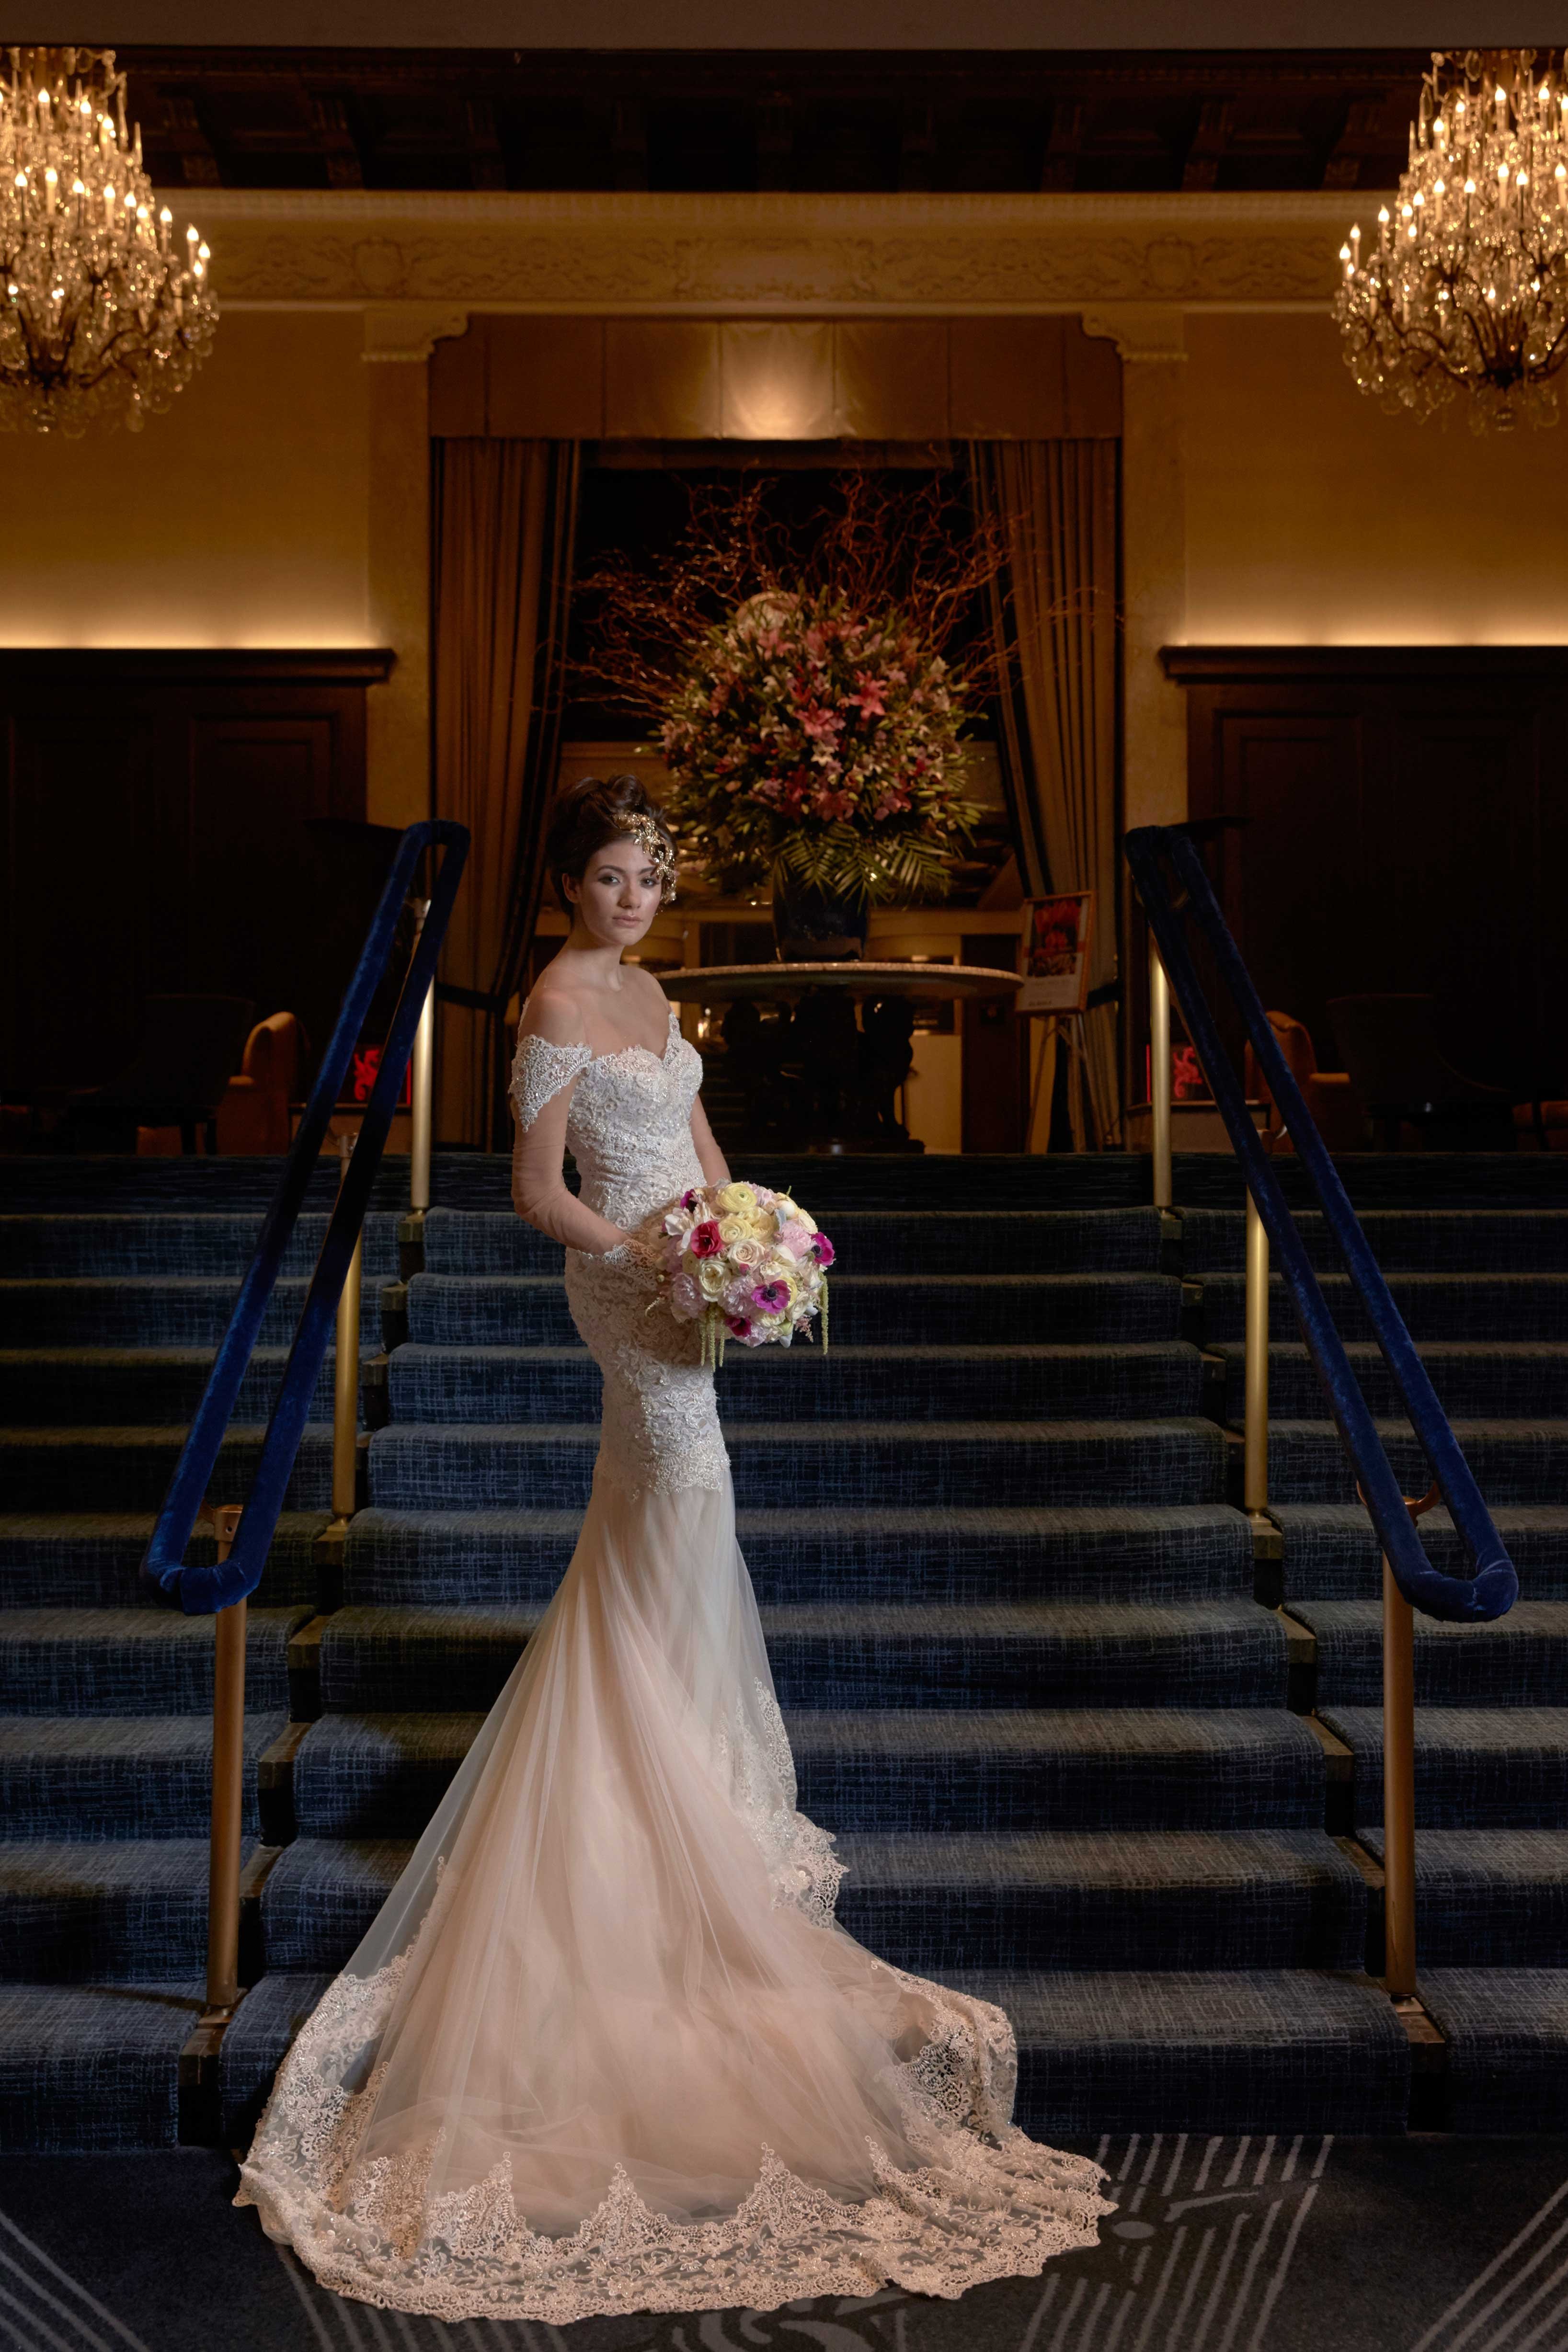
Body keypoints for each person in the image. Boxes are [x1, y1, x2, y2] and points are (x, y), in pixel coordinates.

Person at [235, 775, 1110, 2321]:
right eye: (612, 876)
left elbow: (704, 1147)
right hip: (621, 1287)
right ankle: (657, 1822)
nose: (633, 898)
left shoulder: (649, 985)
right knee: (681, 1493)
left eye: (650, 875)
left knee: (669, 1531)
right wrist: (653, 1252)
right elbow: (536, 1189)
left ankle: (677, 1783)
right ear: (567, 882)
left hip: (690, 1277)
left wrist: (748, 1236)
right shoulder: (558, 994)